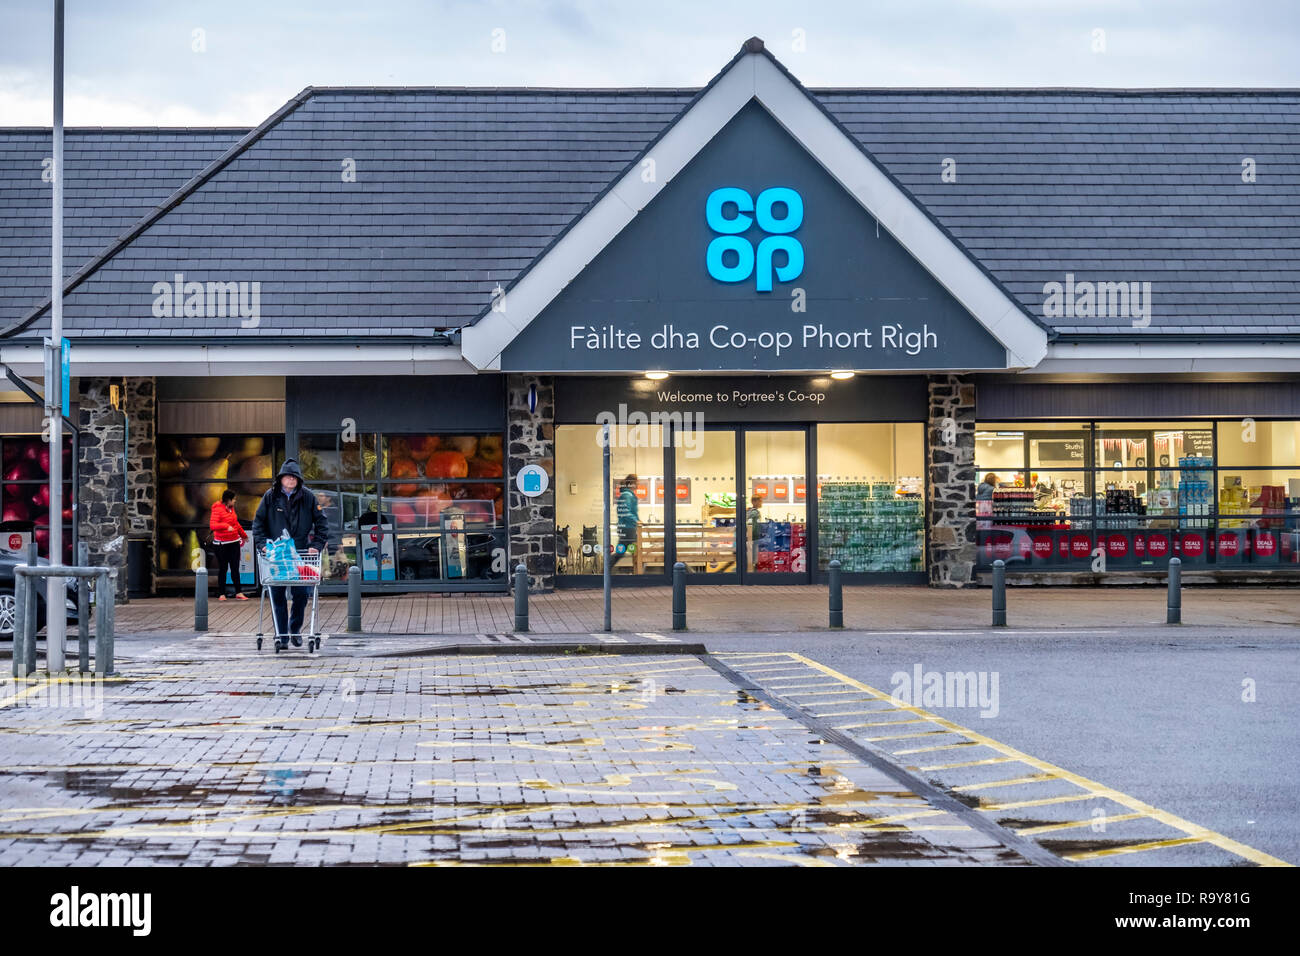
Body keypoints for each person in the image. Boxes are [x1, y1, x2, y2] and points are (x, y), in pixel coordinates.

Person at [252, 459, 329, 646]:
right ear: (281, 479)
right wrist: (263, 545)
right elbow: (258, 524)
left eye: (294, 477)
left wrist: (316, 545)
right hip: (277, 557)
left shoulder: (308, 497)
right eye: (287, 476)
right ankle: (282, 635)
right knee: (277, 595)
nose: (291, 480)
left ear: (299, 480)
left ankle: (294, 630)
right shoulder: (270, 497)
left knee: (301, 594)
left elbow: (322, 524)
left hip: (301, 555)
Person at [209, 489, 249, 600]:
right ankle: (222, 594)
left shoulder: (231, 509)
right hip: (221, 544)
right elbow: (213, 525)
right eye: (233, 499)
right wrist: (226, 526)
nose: (235, 501)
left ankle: (239, 592)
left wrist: (243, 535)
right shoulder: (217, 509)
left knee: (235, 568)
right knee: (223, 568)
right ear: (228, 500)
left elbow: (235, 523)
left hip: (234, 543)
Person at [615, 475, 639, 568]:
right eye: (637, 482)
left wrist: (637, 521)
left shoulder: (628, 495)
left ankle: (638, 572)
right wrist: (637, 521)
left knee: (637, 551)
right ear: (632, 483)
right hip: (627, 528)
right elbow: (626, 512)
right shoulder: (627, 495)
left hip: (629, 528)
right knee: (621, 553)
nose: (638, 485)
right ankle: (605, 570)